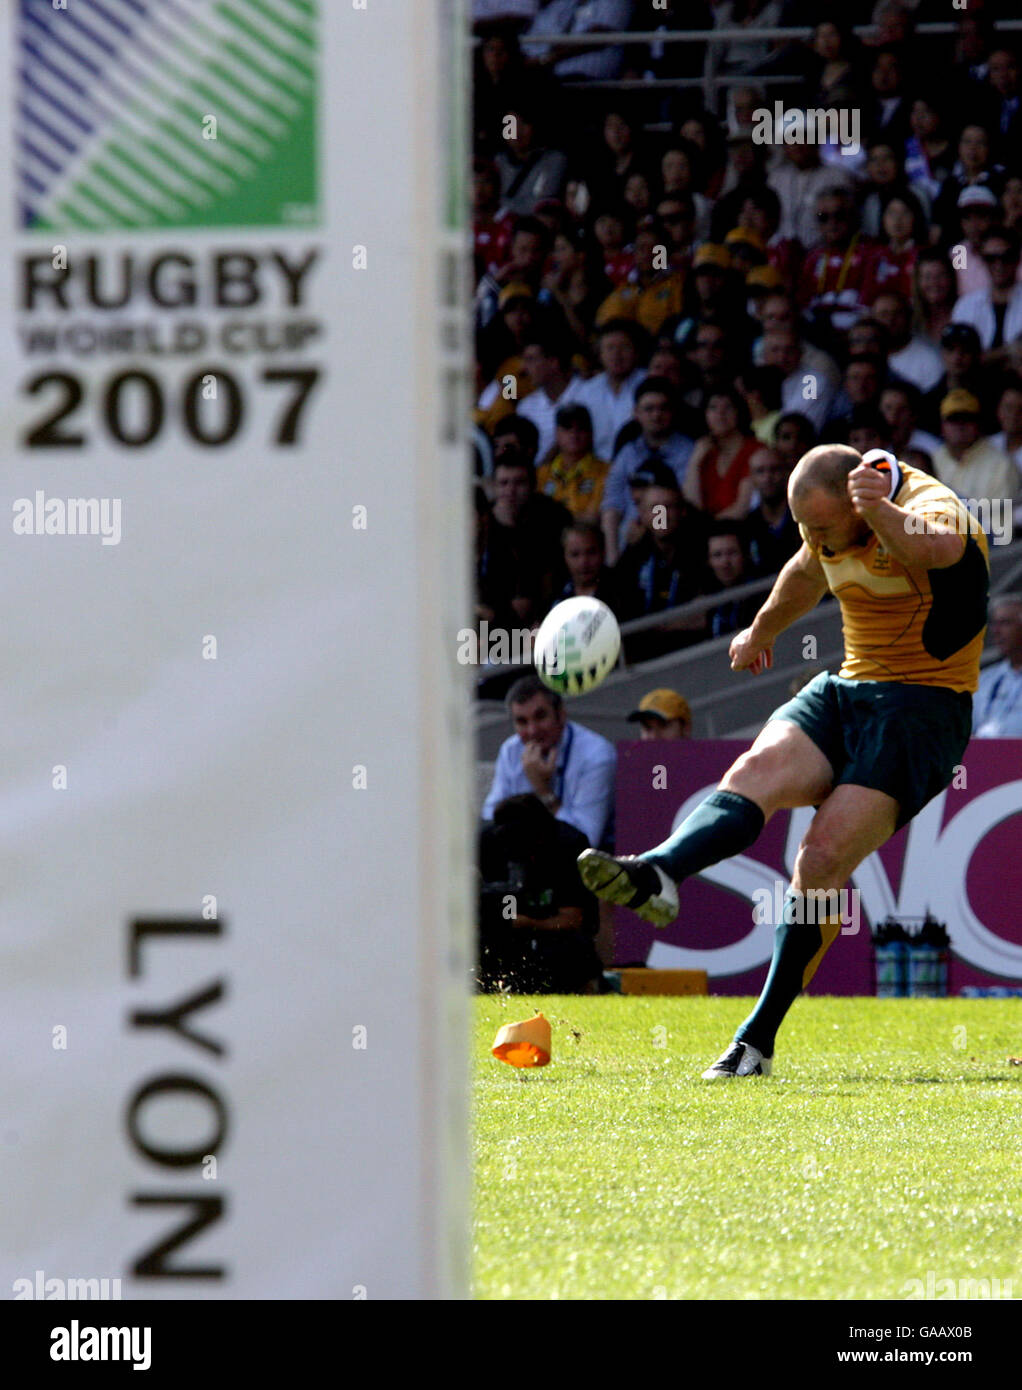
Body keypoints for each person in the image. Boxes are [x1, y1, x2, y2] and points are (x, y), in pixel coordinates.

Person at [578, 443, 989, 1079]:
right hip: (849, 689)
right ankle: (658, 871)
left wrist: (878, 512)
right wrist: (763, 630)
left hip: (922, 712)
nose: (814, 538)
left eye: (824, 527)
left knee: (819, 861)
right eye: (806, 526)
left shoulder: (930, 506)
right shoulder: (825, 529)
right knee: (751, 775)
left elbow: (935, 553)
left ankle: (756, 1040)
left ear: (857, 501)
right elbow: (805, 568)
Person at [477, 793, 602, 993]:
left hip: (552, 937)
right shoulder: (489, 843)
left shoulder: (568, 846)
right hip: (499, 937)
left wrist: (530, 923)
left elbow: (573, 919)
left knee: (573, 951)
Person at [482, 674, 617, 849]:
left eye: (540, 717)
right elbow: (490, 816)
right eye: (522, 722)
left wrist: (543, 791)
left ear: (560, 714)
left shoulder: (596, 755)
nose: (532, 730)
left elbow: (586, 842)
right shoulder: (511, 750)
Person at [536, 404, 609, 522]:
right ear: (557, 434)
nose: (574, 434)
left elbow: (593, 518)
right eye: (567, 428)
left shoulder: (606, 471)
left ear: (591, 433)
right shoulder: (541, 473)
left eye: (581, 428)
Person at [972, 595, 1022, 737]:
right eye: (994, 624)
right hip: (984, 756)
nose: (996, 631)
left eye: (1006, 623)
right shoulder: (984, 679)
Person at [626, 688, 692, 740]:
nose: (654, 737)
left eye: (663, 726)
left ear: (686, 728)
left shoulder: (700, 756)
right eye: (647, 728)